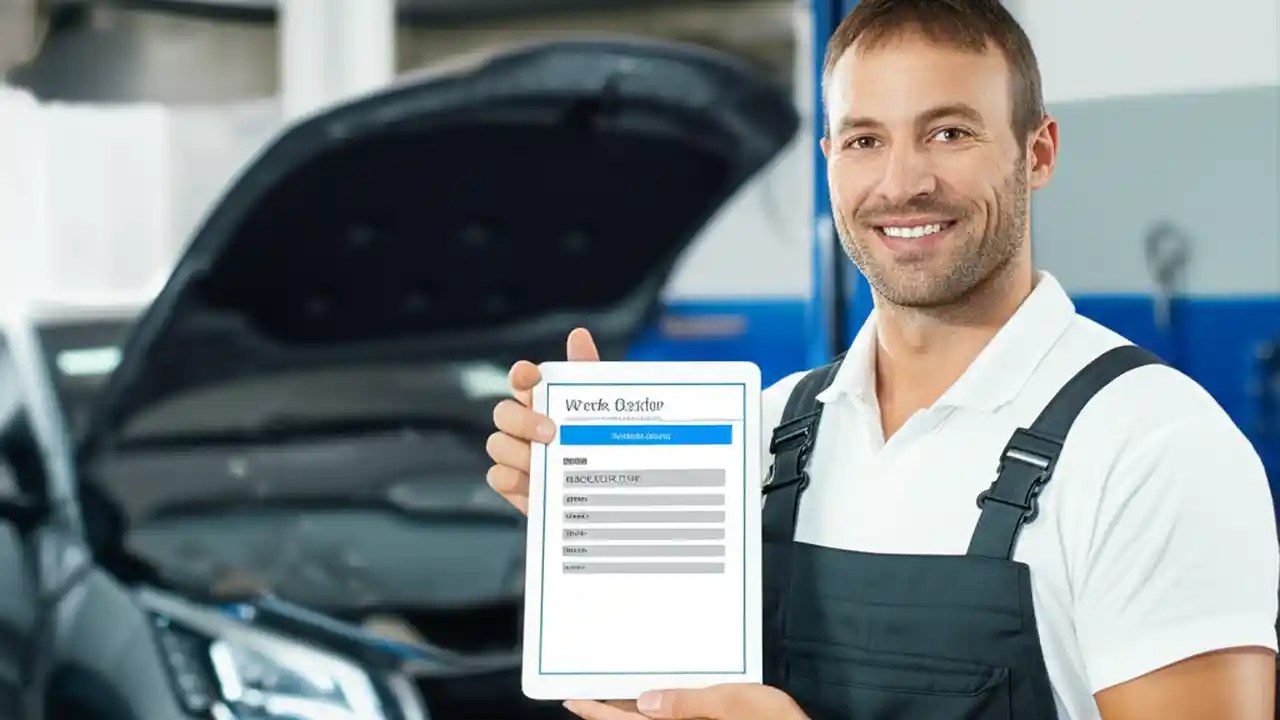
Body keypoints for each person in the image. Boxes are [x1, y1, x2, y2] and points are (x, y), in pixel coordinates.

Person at [485, 1, 1280, 718]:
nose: (903, 182)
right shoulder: (763, 430)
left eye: (949, 132)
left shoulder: (1154, 448)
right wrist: (597, 533)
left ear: (1037, 153)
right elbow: (667, 691)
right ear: (830, 159)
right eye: (866, 140)